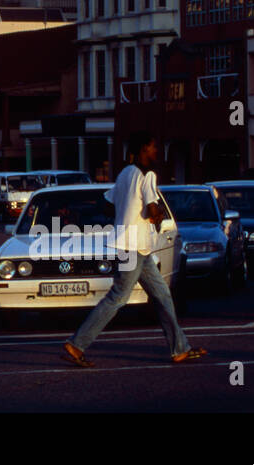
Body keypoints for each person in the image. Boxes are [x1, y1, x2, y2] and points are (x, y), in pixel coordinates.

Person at [61, 131, 206, 367]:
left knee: (162, 295)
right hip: (133, 246)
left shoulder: (125, 173)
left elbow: (107, 207)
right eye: (152, 147)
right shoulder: (147, 174)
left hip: (135, 247)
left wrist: (127, 208)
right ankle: (76, 345)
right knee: (118, 297)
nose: (156, 151)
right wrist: (156, 215)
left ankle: (180, 348)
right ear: (142, 150)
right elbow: (152, 209)